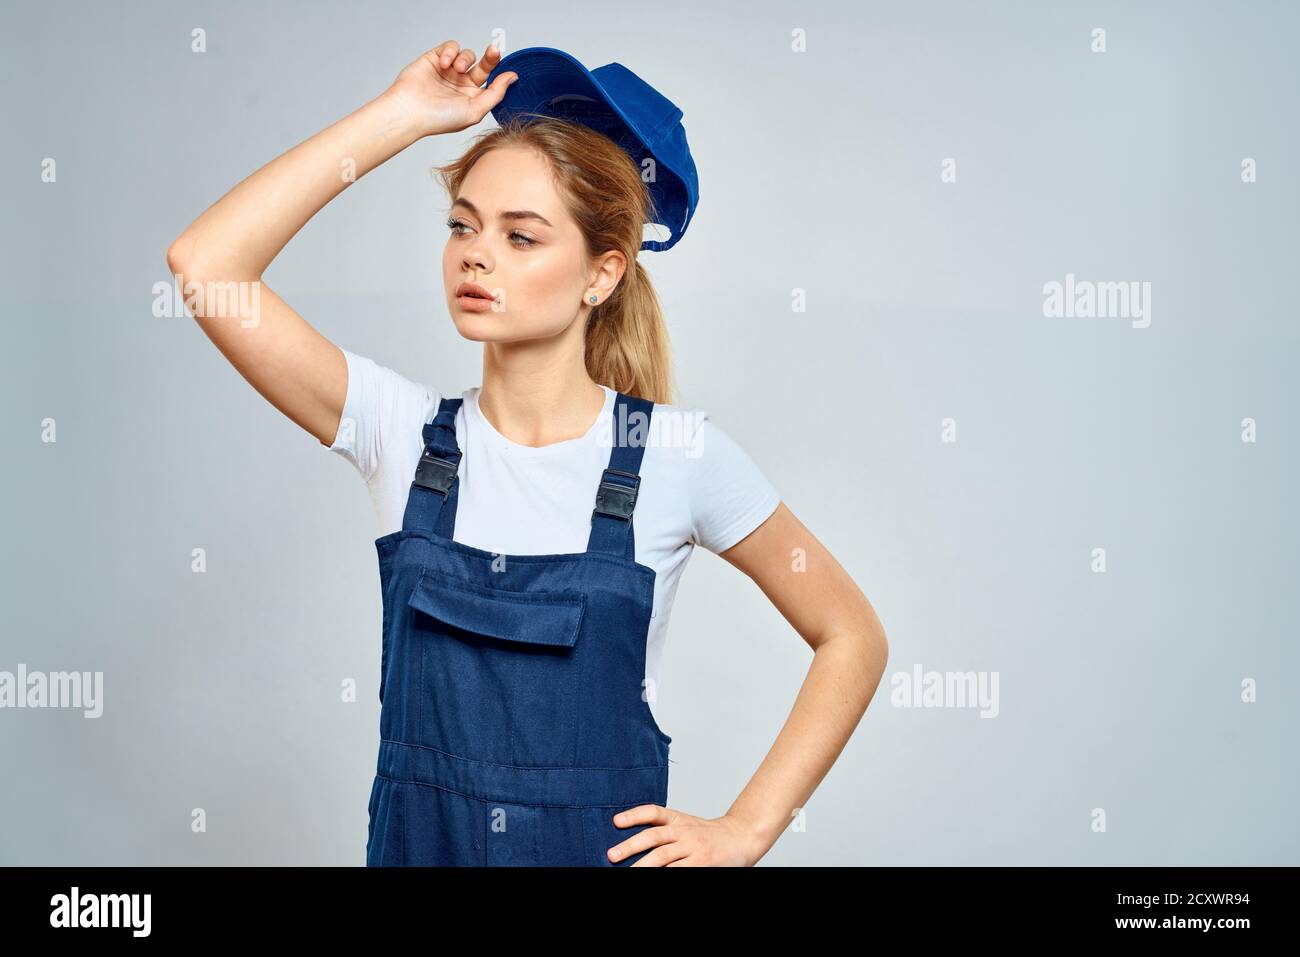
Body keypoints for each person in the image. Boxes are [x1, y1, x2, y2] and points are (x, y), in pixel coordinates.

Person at [166, 39, 889, 866]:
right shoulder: (400, 435)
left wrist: (747, 826)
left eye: (522, 236)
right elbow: (207, 263)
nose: (476, 253)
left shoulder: (676, 459)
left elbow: (852, 634)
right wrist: (403, 116)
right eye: (463, 225)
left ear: (601, 273)